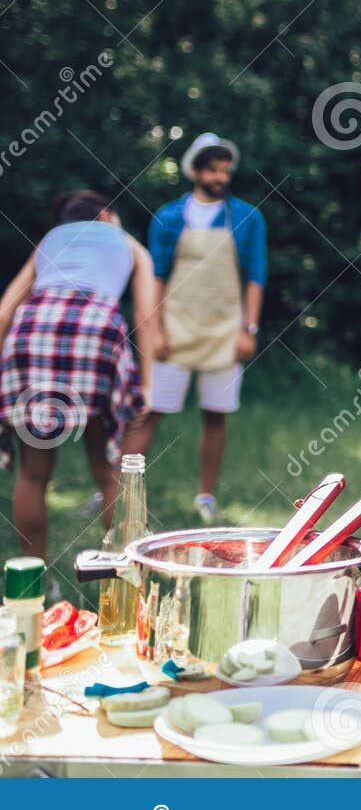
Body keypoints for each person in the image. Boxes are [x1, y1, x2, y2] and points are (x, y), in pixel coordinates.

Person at [0, 191, 158, 559]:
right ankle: (121, 574)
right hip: (94, 326)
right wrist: (147, 385)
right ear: (107, 215)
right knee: (108, 468)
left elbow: (5, 311)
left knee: (34, 474)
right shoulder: (130, 245)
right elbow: (146, 317)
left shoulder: (50, 240)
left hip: (34, 327)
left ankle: (32, 582)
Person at [136, 132, 266, 524]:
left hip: (225, 330)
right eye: (212, 168)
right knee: (149, 411)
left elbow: (255, 277)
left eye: (225, 169)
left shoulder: (246, 217)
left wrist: (249, 329)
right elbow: (154, 276)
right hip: (174, 328)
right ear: (194, 170)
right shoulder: (169, 217)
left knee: (215, 414)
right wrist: (153, 330)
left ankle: (206, 494)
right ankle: (119, 487)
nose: (220, 176)